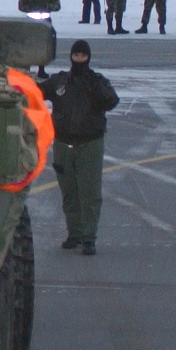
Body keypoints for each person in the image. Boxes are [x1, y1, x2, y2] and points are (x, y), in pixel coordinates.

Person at [38, 39, 118, 255]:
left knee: (90, 192)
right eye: (76, 55)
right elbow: (37, 92)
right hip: (63, 143)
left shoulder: (97, 81)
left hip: (89, 143)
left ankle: (89, 237)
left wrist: (95, 87)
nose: (79, 59)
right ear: (71, 57)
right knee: (69, 191)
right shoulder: (60, 81)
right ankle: (74, 234)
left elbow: (112, 101)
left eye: (83, 55)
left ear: (88, 57)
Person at [17, 0, 61, 76]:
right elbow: (21, 6)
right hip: (32, 22)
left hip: (45, 22)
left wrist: (47, 7)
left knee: (44, 46)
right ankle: (27, 68)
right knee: (29, 45)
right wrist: (31, 8)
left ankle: (41, 69)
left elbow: (57, 5)